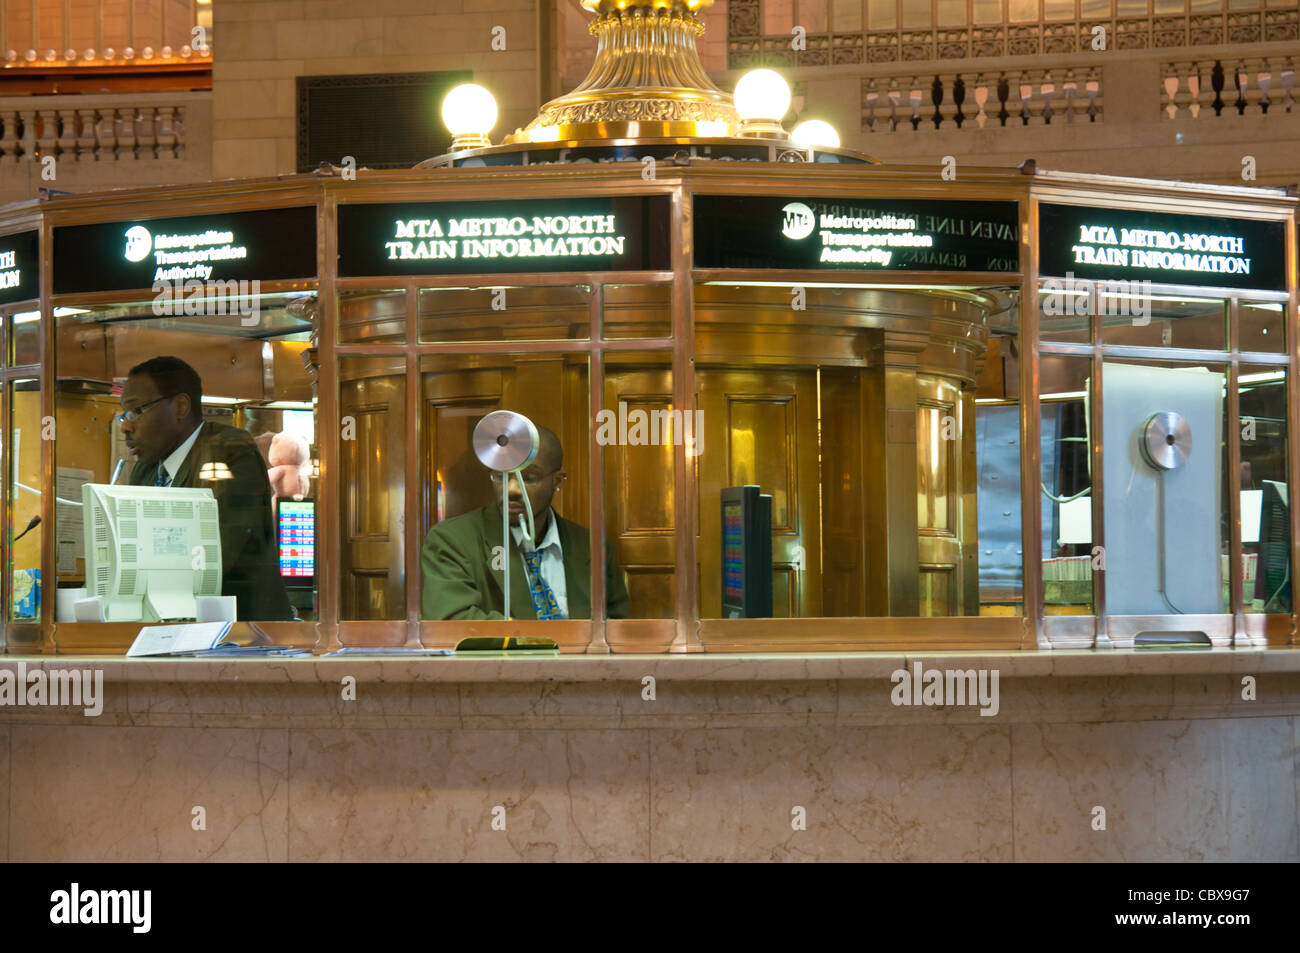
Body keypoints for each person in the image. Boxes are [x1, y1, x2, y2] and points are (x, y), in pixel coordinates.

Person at [119, 356, 293, 621]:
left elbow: (216, 555)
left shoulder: (230, 450)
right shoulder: (145, 470)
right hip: (170, 625)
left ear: (180, 406)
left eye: (136, 412)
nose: (126, 426)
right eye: (123, 415)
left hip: (243, 635)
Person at [421, 422, 630, 620]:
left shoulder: (594, 550)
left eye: (529, 478)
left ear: (557, 481)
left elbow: (616, 630)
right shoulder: (453, 541)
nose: (512, 489)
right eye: (501, 476)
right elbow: (451, 620)